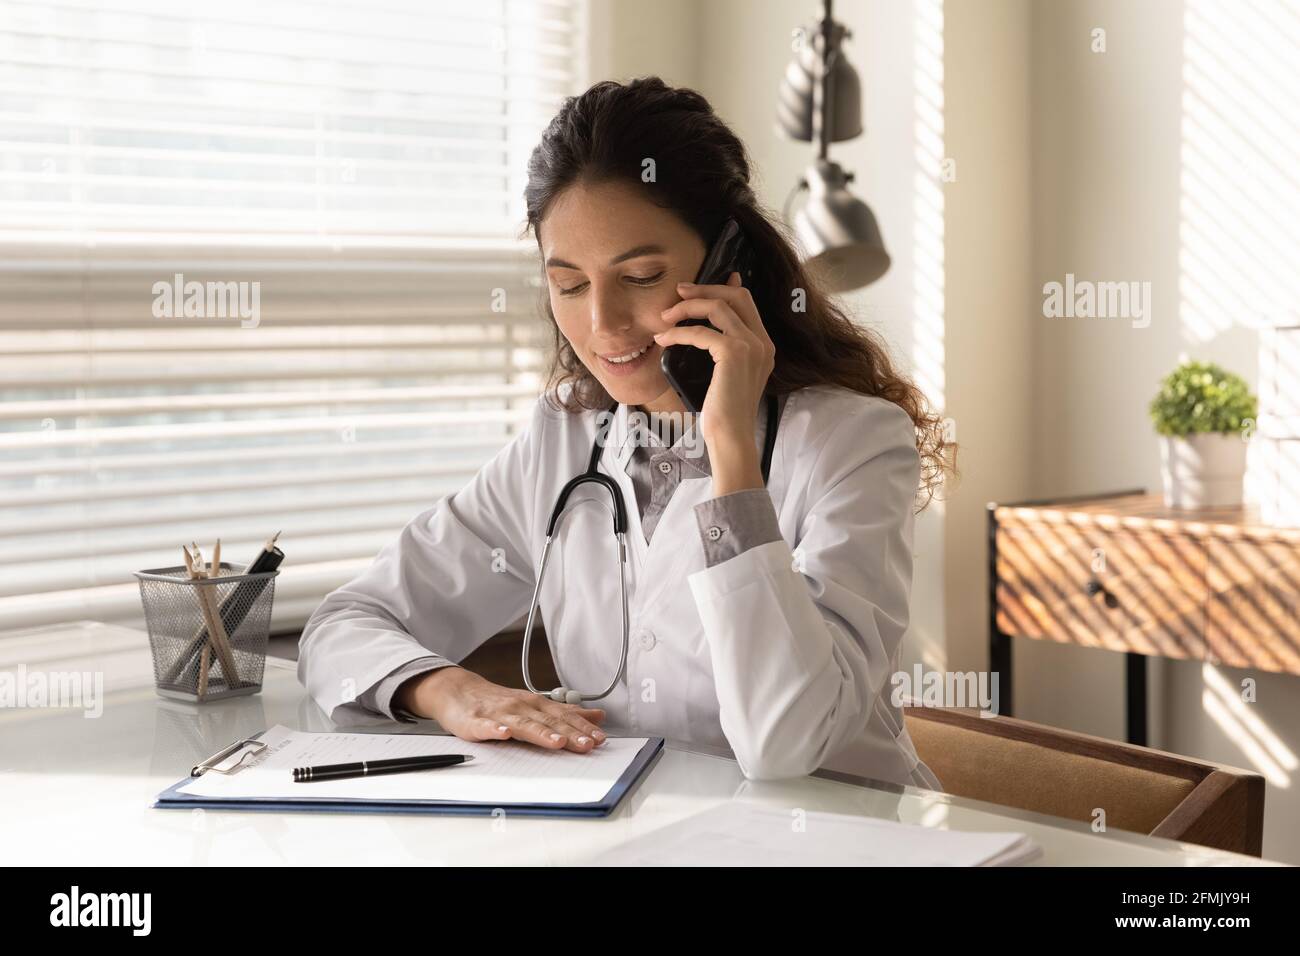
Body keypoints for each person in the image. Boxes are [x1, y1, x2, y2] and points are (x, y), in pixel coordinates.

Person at [297, 77, 955, 785]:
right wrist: (450, 690)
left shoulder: (852, 443)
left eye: (640, 276)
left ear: (726, 263)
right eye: (570, 285)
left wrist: (731, 452)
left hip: (839, 834)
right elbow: (344, 624)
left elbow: (785, 744)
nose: (602, 324)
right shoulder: (563, 440)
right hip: (634, 829)